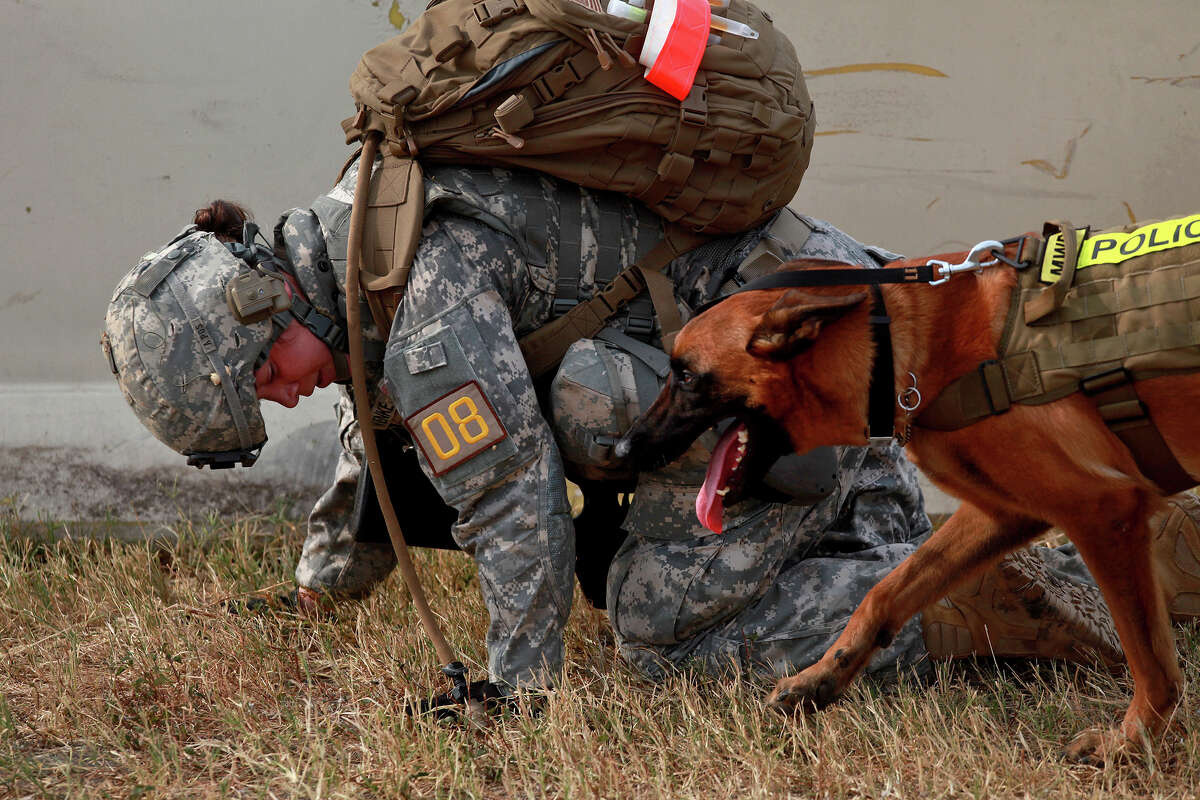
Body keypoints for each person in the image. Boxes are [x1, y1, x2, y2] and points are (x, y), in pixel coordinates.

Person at [103, 155, 1200, 700]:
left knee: (653, 630)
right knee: (587, 431)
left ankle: (970, 612)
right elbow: (377, 435)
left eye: (267, 380)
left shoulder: (424, 304)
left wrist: (516, 690)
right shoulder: (358, 243)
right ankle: (1118, 546)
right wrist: (316, 587)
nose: (286, 397)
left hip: (809, 383)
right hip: (793, 355)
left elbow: (507, 496)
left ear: (264, 304)